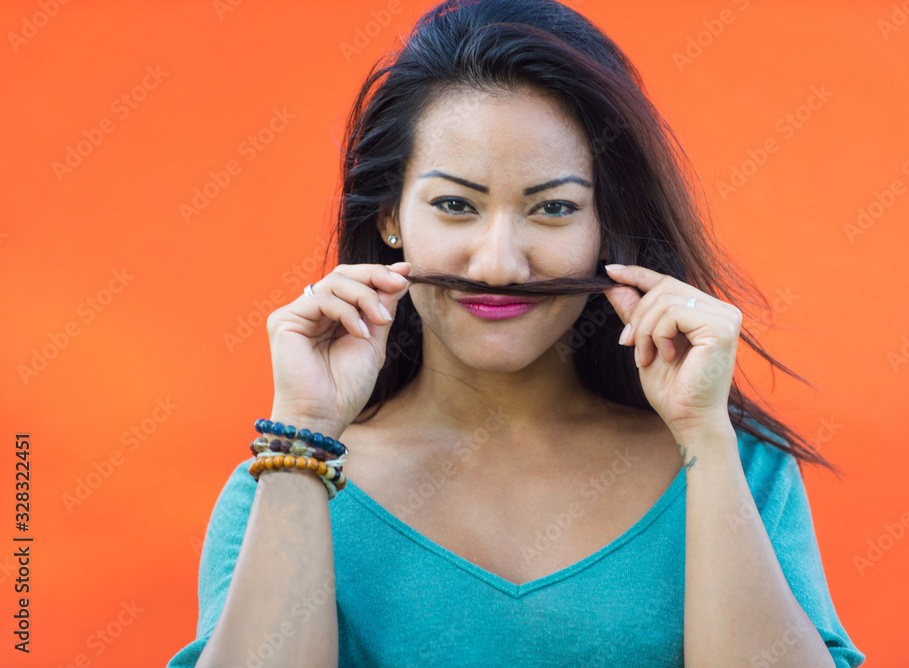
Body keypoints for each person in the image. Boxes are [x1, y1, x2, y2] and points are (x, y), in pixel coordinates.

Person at [166, 0, 866, 665]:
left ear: (606, 225)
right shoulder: (282, 481)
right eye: (453, 204)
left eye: (554, 208)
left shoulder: (741, 471)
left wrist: (705, 440)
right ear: (389, 216)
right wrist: (304, 429)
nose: (498, 262)